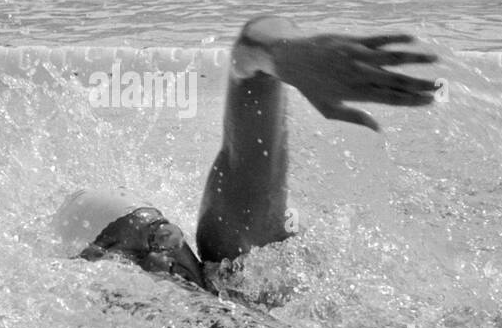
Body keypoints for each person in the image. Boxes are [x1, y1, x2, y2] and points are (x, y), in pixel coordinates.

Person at [53, 15, 438, 293]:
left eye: (160, 236)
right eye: (127, 257)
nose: (158, 260)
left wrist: (288, 56)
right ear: (92, 268)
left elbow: (249, 59)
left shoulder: (234, 259)